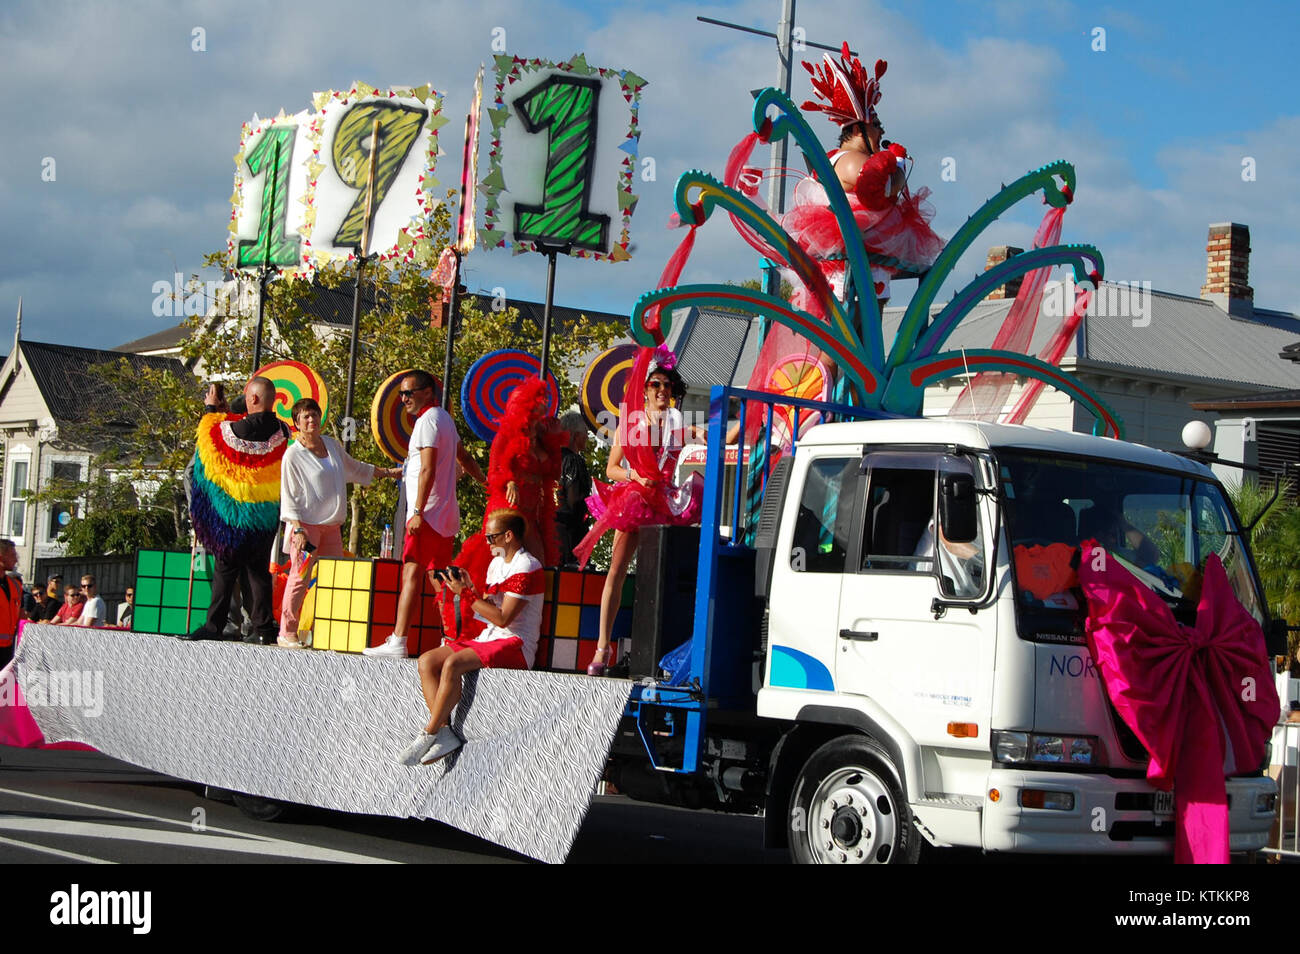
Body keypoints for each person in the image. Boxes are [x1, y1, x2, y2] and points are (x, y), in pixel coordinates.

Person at [574, 346, 705, 675]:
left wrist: (749, 426)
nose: (662, 391)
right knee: (616, 572)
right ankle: (602, 648)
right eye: (655, 385)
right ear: (644, 390)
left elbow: (716, 435)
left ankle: (666, 649)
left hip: (664, 504)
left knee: (663, 576)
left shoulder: (678, 426)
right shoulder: (630, 425)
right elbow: (611, 469)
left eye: (667, 386)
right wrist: (635, 474)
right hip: (635, 500)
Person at [783, 43, 943, 309]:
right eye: (876, 126)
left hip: (867, 266)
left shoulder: (844, 158)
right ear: (859, 129)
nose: (881, 132)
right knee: (847, 343)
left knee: (862, 341)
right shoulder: (849, 160)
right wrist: (896, 162)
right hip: (849, 271)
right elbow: (876, 188)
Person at [395, 510, 545, 765]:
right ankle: (444, 731)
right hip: (491, 637)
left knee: (453, 664)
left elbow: (503, 619)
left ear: (508, 536)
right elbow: (488, 612)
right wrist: (470, 589)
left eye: (491, 537)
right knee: (427, 661)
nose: (487, 542)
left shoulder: (527, 565)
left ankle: (428, 733)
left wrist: (466, 594)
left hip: (517, 643)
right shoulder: (497, 564)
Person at [365, 370, 484, 657]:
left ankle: (399, 639)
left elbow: (428, 468)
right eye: (401, 394)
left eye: (409, 392)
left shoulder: (427, 421)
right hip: (443, 515)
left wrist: (416, 511)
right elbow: (462, 457)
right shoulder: (445, 419)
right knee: (440, 580)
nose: (403, 398)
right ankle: (450, 636)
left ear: (428, 392)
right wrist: (485, 482)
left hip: (427, 513)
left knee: (412, 575)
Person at [278, 397, 400, 648]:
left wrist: (387, 472)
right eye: (305, 417)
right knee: (299, 578)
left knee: (336, 577)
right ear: (297, 423)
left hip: (332, 525)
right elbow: (288, 495)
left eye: (314, 415)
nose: (311, 420)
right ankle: (287, 631)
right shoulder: (292, 455)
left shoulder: (332, 445)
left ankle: (329, 628)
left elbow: (355, 468)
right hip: (306, 528)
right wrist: (298, 528)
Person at [183, 376, 290, 644]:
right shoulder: (284, 432)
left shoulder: (230, 430)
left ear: (252, 399)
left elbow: (209, 438)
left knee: (225, 570)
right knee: (258, 573)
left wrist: (211, 410)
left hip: (234, 518)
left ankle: (214, 626)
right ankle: (265, 628)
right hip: (265, 517)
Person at [556, 410, 592, 568]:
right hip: (571, 537)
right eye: (585, 431)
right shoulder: (573, 461)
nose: (587, 436)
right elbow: (576, 502)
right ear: (575, 435)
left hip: (550, 533)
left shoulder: (550, 459)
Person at [0, 539, 22, 665]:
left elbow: (21, 615)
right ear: (1, 557)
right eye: (13, 555)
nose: (16, 559)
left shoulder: (15, 585)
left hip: (8, 649)